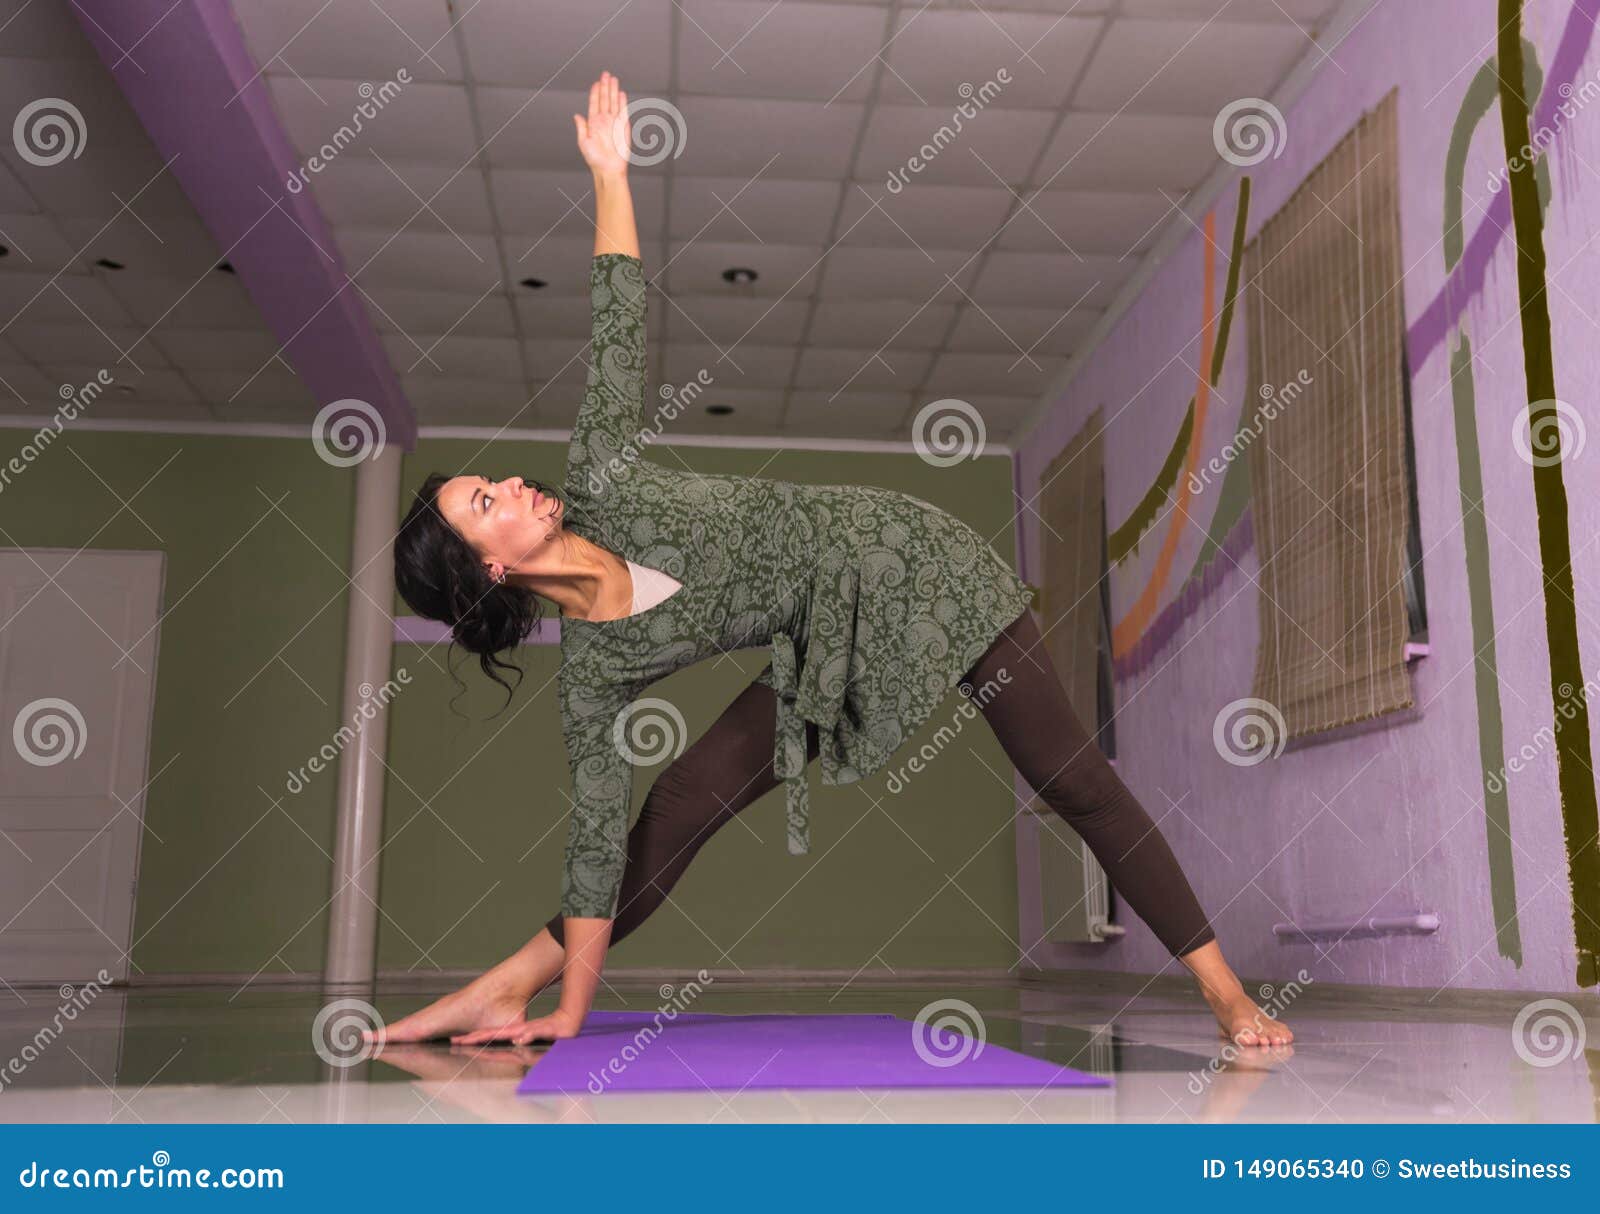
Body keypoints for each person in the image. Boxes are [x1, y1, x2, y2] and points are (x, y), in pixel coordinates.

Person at [378, 71, 1294, 1051]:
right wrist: (573, 1004)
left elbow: (617, 320)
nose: (509, 485)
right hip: (830, 646)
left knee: (1069, 773)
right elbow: (598, 843)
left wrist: (611, 173)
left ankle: (1226, 992)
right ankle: (505, 988)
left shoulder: (601, 475)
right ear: (490, 571)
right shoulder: (595, 668)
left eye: (492, 481)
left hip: (917, 562)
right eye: (486, 503)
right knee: (680, 798)